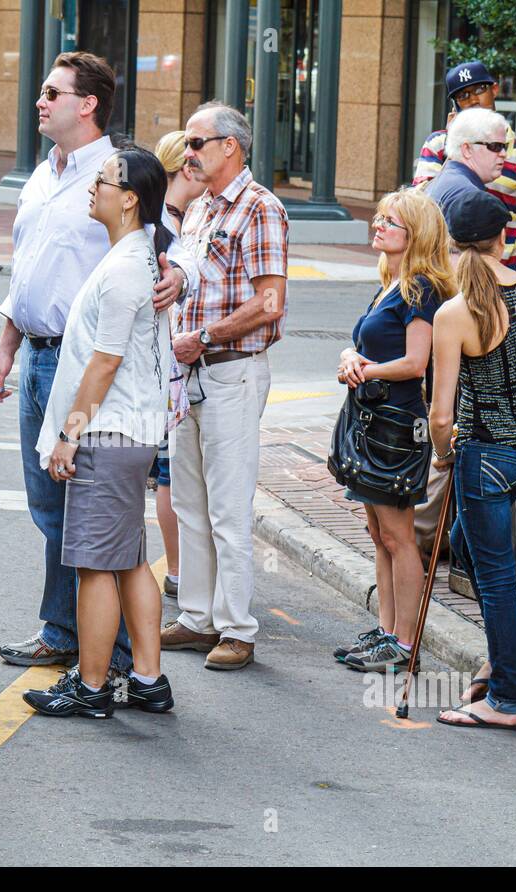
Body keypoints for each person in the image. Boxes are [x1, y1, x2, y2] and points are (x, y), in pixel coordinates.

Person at [0, 51, 192, 677]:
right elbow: (27, 270)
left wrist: (178, 275)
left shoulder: (115, 175)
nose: (40, 102)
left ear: (87, 104)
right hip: (37, 355)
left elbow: (166, 250)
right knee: (52, 509)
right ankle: (75, 634)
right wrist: (6, 343)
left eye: (53, 93)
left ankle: (106, 657)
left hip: (86, 378)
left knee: (92, 524)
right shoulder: (41, 176)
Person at [23, 148, 177, 718]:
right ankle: (147, 678)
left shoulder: (123, 269)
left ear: (130, 197)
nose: (95, 188)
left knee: (93, 566)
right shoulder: (136, 257)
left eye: (104, 181)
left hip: (109, 435)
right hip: (129, 433)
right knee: (130, 560)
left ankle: (91, 686)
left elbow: (104, 363)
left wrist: (70, 434)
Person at [162, 101, 288, 672]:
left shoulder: (260, 208)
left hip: (230, 369)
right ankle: (196, 617)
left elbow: (270, 304)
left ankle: (237, 628)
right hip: (189, 373)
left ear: (230, 146)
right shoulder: (201, 207)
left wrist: (205, 337)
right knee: (189, 500)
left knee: (228, 508)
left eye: (197, 143)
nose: (188, 153)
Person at [431, 190, 516, 729]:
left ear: (454, 246)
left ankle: (505, 694)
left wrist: (441, 455)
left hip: (481, 455)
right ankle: (505, 656)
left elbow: (441, 414)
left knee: (498, 575)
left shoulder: (455, 312)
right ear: (504, 239)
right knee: (465, 544)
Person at [334, 188, 454, 671]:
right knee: (378, 531)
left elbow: (415, 363)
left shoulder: (421, 288)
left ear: (415, 235)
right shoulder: (392, 279)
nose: (378, 226)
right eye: (379, 218)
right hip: (372, 420)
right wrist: (350, 357)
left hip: (397, 427)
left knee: (400, 536)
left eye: (390, 222)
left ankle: (404, 643)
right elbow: (366, 344)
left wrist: (368, 369)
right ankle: (386, 631)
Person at [414, 61, 516, 275]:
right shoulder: (438, 144)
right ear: (455, 105)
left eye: (479, 90)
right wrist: (452, 148)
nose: (473, 100)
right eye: (463, 95)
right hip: (449, 273)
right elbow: (421, 205)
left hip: (502, 274)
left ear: (495, 90)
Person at [150, 129, 206, 599]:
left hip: (172, 363)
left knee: (170, 471)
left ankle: (180, 570)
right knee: (170, 472)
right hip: (168, 364)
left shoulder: (172, 217)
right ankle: (177, 571)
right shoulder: (168, 227)